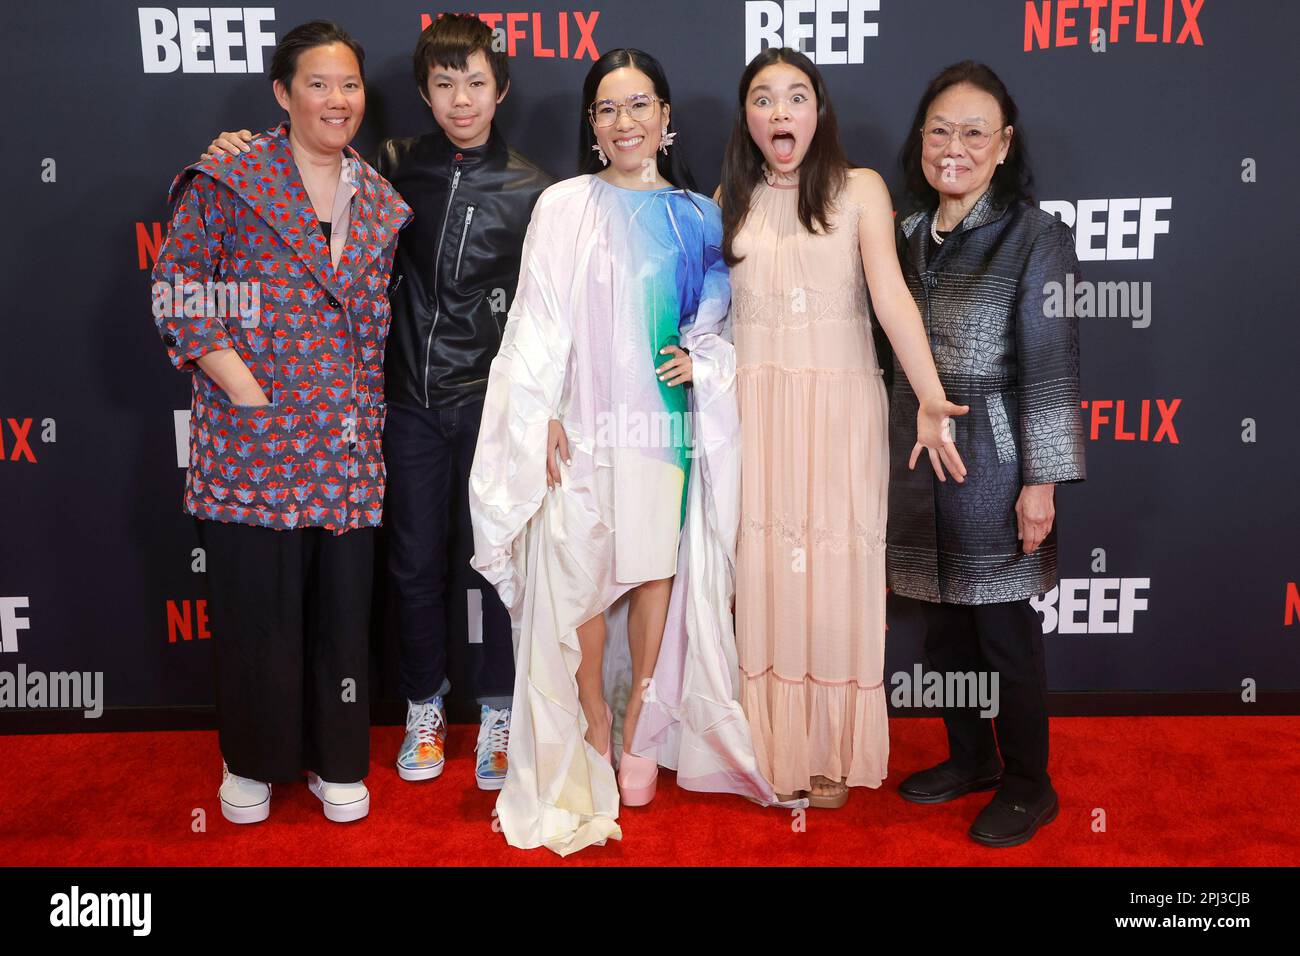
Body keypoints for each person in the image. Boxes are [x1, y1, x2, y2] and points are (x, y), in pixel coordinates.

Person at [203, 14, 554, 791]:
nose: (461, 100)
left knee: (501, 565)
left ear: (501, 89)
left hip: (492, 405)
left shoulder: (537, 189)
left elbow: (550, 311)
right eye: (443, 84)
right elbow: (299, 163)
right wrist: (238, 145)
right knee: (412, 564)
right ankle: (424, 706)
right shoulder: (387, 168)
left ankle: (500, 710)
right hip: (402, 405)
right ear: (424, 94)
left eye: (475, 82)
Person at [468, 48, 775, 856]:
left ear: (666, 119)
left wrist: (699, 358)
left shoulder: (700, 218)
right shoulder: (564, 206)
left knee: (651, 567)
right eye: (607, 108)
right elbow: (533, 318)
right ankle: (592, 718)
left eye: (639, 105)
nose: (624, 121)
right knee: (574, 576)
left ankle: (642, 715)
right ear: (593, 125)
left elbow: (716, 322)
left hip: (662, 427)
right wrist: (538, 414)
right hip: (579, 422)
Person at [151, 20, 411, 824]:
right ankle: (252, 762)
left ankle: (338, 760)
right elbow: (178, 296)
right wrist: (252, 395)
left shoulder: (382, 199)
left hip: (344, 450)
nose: (337, 101)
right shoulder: (227, 180)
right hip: (250, 449)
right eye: (319, 85)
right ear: (282, 93)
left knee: (341, 618)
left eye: (350, 86)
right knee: (257, 615)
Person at [718, 48, 968, 810]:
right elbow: (714, 312)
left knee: (832, 574)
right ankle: (767, 745)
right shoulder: (729, 195)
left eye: (796, 96)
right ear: (750, 118)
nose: (781, 111)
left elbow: (891, 297)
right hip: (755, 415)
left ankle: (827, 750)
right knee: (761, 572)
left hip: (838, 413)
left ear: (818, 110)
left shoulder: (860, 188)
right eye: (764, 99)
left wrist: (929, 394)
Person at [888, 61, 1085, 847]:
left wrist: (1040, 483)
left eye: (975, 132)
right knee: (942, 634)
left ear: (1003, 146)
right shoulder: (901, 234)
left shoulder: (1038, 236)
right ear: (922, 140)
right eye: (941, 129)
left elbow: (1053, 367)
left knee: (1004, 636)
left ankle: (1030, 785)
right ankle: (968, 758)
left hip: (997, 468)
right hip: (916, 469)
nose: (955, 146)